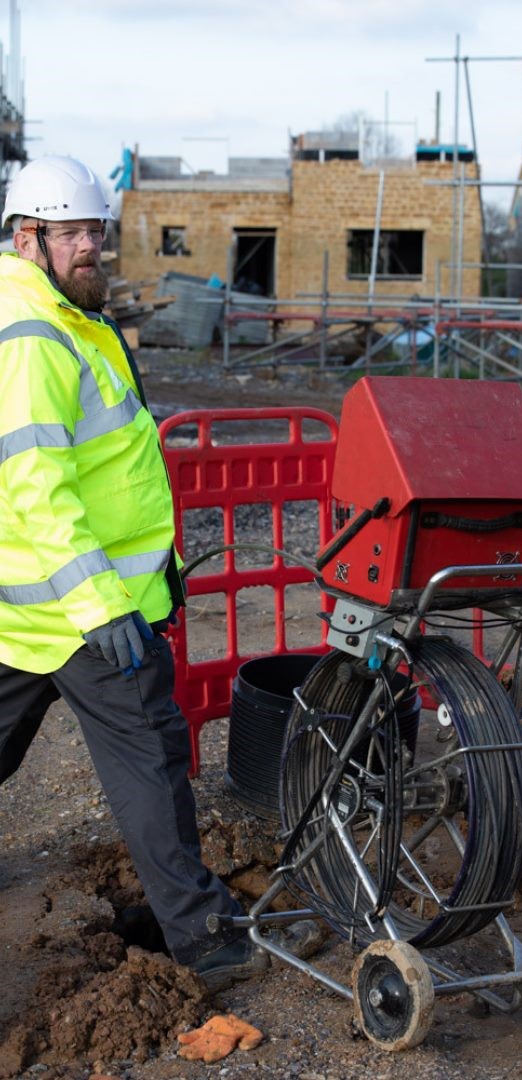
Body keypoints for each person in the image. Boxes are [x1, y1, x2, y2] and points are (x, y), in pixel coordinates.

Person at [0, 154, 269, 991]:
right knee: (152, 760)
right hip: (83, 611)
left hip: (30, 610)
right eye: (72, 233)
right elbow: (33, 481)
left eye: (97, 232)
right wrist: (100, 604)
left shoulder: (63, 315)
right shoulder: (34, 333)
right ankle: (205, 938)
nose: (92, 248)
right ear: (28, 236)